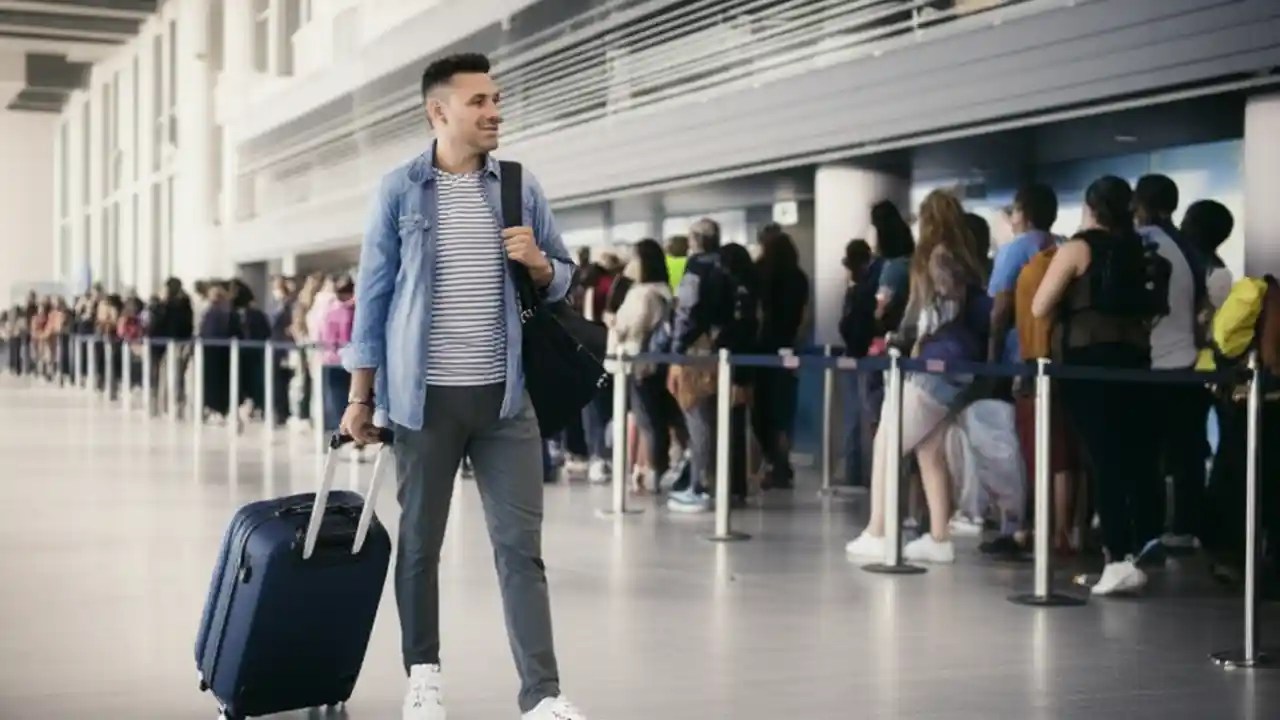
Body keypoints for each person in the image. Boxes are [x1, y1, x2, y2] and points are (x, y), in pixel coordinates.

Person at [338, 53, 586, 720]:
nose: (495, 111)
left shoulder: (517, 185)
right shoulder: (399, 190)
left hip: (508, 400)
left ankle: (542, 693)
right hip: (425, 402)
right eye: (479, 101)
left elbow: (565, 271)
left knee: (520, 551)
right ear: (439, 111)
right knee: (420, 546)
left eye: (497, 99)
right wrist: (361, 397)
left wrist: (540, 264)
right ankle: (423, 675)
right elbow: (375, 296)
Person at [1030, 175, 1162, 596]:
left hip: (1088, 361)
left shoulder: (1078, 247)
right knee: (1132, 455)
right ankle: (1139, 547)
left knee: (1102, 457)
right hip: (1136, 358)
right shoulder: (1137, 247)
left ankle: (1116, 556)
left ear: (1089, 207)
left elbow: (1040, 305)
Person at [845, 190, 988, 565]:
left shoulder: (937, 257)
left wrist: (908, 337)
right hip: (962, 365)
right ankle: (939, 537)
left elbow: (935, 309)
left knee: (886, 442)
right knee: (928, 449)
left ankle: (878, 530)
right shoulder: (969, 260)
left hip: (934, 363)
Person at [1133, 176, 1203, 557]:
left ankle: (1148, 532)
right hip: (1186, 360)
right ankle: (1185, 527)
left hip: (1153, 361)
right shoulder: (1190, 248)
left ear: (1138, 203)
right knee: (1186, 451)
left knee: (1147, 455)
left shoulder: (1145, 242)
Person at [666, 217, 735, 512]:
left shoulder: (697, 268)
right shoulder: (726, 266)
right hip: (721, 347)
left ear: (696, 239)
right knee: (714, 417)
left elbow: (687, 310)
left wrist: (676, 351)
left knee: (697, 415)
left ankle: (699, 485)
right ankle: (717, 483)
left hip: (697, 348)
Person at [609, 238, 673, 493]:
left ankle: (652, 471)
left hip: (637, 363)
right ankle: (656, 468)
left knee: (646, 418)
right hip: (658, 362)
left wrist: (612, 322)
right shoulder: (664, 290)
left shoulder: (641, 293)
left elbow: (629, 327)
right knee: (656, 417)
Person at [753, 229, 810, 489]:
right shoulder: (799, 278)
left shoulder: (762, 273)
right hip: (788, 348)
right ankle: (782, 462)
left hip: (763, 349)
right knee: (783, 410)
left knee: (762, 410)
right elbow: (804, 317)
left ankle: (770, 462)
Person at [838, 239, 878, 488]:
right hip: (867, 356)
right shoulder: (870, 287)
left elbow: (846, 324)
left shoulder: (857, 292)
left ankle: (855, 474)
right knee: (868, 417)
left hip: (856, 355)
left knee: (854, 418)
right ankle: (869, 474)